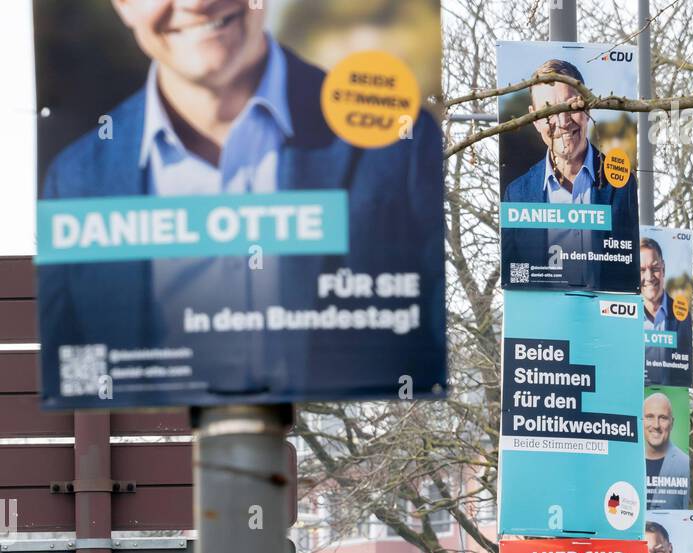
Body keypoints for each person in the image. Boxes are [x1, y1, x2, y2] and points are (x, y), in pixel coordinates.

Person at [38, 0, 445, 404]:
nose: (198, 4)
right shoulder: (76, 179)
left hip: (337, 449)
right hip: (166, 453)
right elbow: (72, 370)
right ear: (123, 6)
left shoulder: (396, 143)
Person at [501, 58, 639, 291]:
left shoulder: (622, 184)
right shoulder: (517, 194)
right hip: (543, 323)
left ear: (587, 108)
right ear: (533, 118)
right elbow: (514, 281)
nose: (562, 121)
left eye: (570, 106)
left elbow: (627, 277)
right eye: (549, 111)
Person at [640, 235, 693, 385]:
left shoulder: (682, 316)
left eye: (655, 268)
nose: (649, 277)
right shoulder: (626, 318)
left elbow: (683, 372)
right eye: (642, 270)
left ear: (664, 268)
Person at [644, 392, 690, 507]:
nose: (656, 425)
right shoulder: (628, 463)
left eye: (663, 418)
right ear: (641, 420)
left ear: (672, 423)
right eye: (650, 417)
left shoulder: (686, 465)